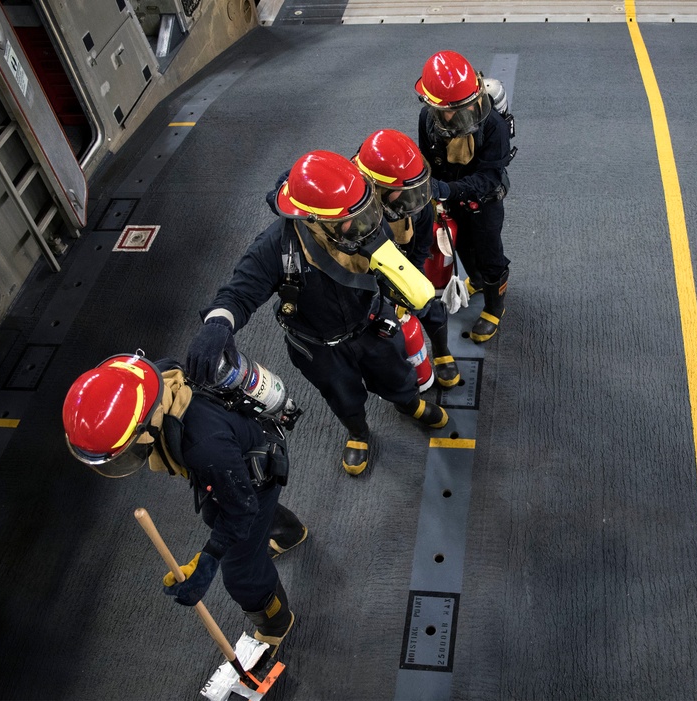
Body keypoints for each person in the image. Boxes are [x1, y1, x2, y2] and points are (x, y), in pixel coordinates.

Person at [187, 150, 449, 476]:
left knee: (396, 371)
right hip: (317, 345)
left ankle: (409, 403)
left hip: (370, 322)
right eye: (349, 222)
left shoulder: (360, 214)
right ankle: (358, 432)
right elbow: (238, 294)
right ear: (313, 220)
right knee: (342, 394)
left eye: (366, 211)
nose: (365, 225)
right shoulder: (276, 246)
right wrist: (217, 325)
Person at [62, 352, 306, 654]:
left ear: (144, 428)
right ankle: (288, 532)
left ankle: (276, 625)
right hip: (237, 453)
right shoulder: (153, 382)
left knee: (241, 573)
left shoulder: (204, 446)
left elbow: (242, 509)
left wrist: (208, 559)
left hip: (255, 470)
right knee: (216, 513)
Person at [415, 50, 514, 343]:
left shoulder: (493, 125)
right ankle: (479, 280)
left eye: (467, 105)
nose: (463, 113)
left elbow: (490, 177)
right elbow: (427, 160)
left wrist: (448, 190)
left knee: (489, 253)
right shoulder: (427, 119)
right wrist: (433, 193)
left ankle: (495, 307)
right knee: (461, 246)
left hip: (484, 202)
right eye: (451, 110)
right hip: (449, 200)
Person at [353, 128, 460, 388]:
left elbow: (421, 244)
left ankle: (442, 349)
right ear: (376, 187)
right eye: (403, 192)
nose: (414, 199)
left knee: (429, 306)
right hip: (366, 272)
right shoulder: (352, 206)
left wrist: (412, 276)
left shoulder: (414, 198)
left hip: (403, 261)